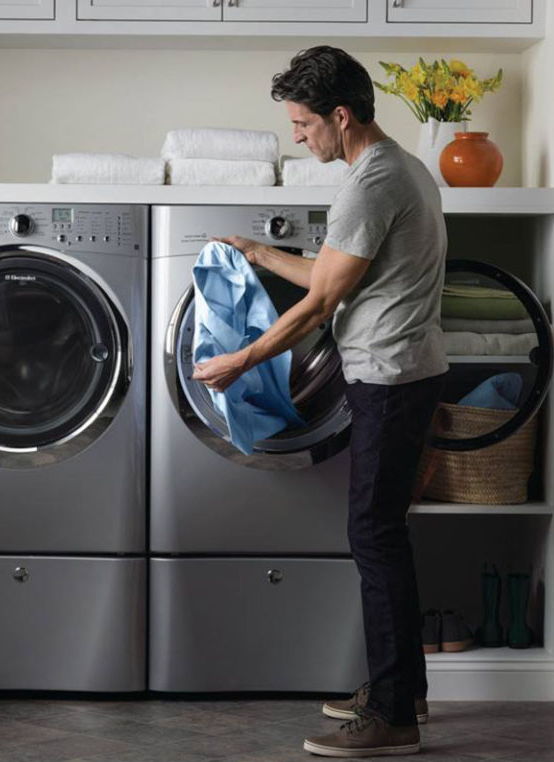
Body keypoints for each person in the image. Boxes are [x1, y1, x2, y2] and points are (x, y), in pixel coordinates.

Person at [192, 46, 449, 757]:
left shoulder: (373, 183)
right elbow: (334, 273)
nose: (299, 137)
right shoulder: (395, 169)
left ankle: (394, 718)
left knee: (374, 535)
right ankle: (406, 693)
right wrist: (258, 252)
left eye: (304, 124)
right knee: (382, 532)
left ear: (341, 116)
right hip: (399, 373)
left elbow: (320, 305)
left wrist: (241, 359)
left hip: (391, 378)